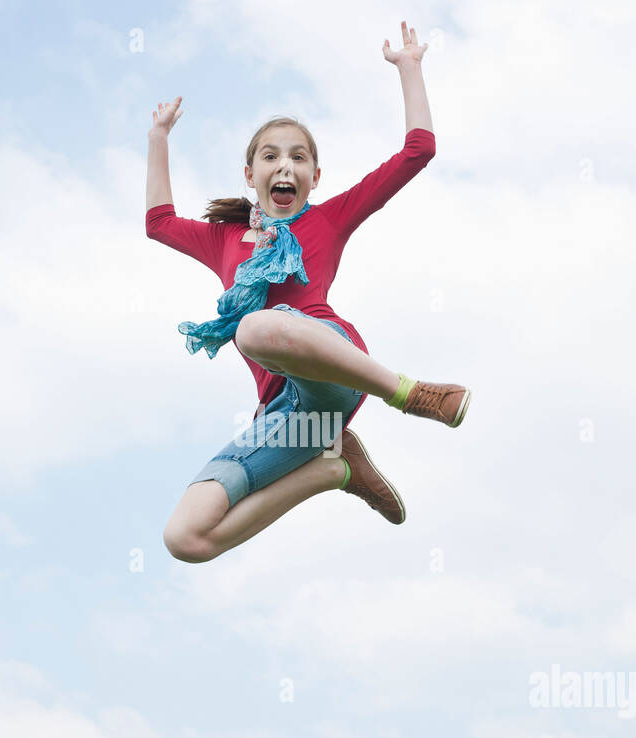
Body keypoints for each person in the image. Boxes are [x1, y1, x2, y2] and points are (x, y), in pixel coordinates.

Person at [145, 21, 471, 564]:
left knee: (252, 329)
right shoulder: (221, 239)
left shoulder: (328, 220)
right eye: (271, 156)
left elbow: (418, 151)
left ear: (314, 176)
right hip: (290, 415)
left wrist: (409, 68)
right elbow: (158, 222)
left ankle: (412, 394)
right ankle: (335, 468)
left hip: (335, 367)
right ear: (250, 174)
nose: (285, 166)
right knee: (185, 539)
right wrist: (158, 139)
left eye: (298, 158)